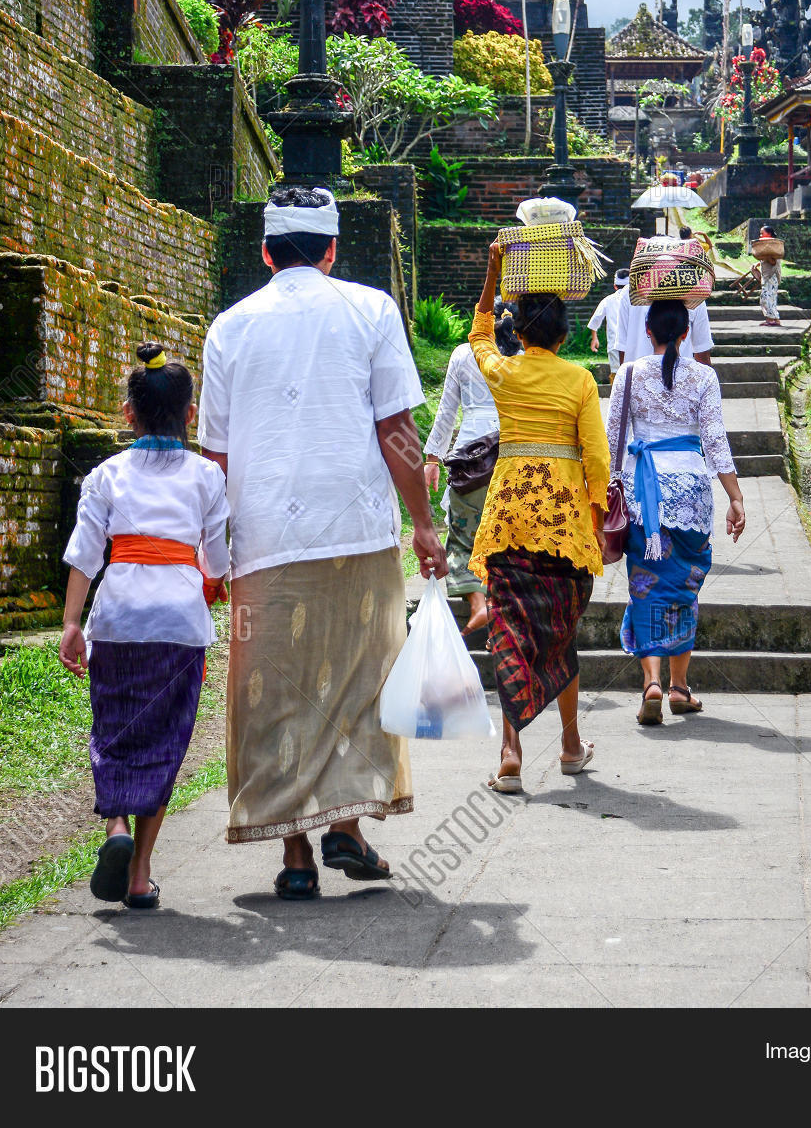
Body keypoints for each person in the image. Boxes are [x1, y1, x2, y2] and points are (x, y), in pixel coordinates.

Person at [198, 184, 447, 899]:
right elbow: (396, 431)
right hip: (357, 529)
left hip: (265, 535)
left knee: (275, 691)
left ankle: (297, 854)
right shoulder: (371, 309)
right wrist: (423, 524)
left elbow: (214, 457)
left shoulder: (230, 327)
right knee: (360, 682)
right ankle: (349, 827)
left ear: (267, 251)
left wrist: (211, 555)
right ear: (332, 250)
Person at [59, 343, 230, 910]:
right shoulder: (207, 475)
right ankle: (140, 875)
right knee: (164, 739)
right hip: (179, 626)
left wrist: (70, 626)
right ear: (189, 414)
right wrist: (204, 580)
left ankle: (116, 833)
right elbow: (218, 562)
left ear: (128, 413)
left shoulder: (106, 475)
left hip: (117, 619)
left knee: (114, 731)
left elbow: (85, 557)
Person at [468, 244, 610, 793]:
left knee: (510, 630)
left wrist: (491, 273)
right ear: (563, 335)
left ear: (520, 333)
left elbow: (478, 335)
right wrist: (598, 520)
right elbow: (595, 457)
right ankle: (571, 746)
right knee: (559, 633)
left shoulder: (503, 372)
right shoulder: (579, 380)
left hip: (507, 520)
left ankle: (511, 751)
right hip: (564, 524)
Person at [607, 300, 745, 722]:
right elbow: (715, 439)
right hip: (691, 494)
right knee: (685, 587)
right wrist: (735, 496)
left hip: (642, 497)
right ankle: (680, 688)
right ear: (686, 333)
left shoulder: (627, 375)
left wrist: (602, 495)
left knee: (646, 585)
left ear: (647, 329)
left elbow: (613, 440)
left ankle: (650, 682)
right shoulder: (704, 376)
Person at [424, 299, 521, 637]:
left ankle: (478, 604)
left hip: (468, 454)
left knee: (463, 537)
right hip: (509, 450)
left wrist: (432, 458)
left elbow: (446, 411)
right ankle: (506, 612)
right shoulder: (521, 358)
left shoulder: (463, 354)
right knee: (508, 535)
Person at [618, 231, 714, 367]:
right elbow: (702, 352)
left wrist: (625, 377)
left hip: (637, 378)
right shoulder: (693, 292)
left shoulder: (629, 292)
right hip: (683, 379)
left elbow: (622, 346)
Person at [588, 268, 629, 382]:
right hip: (633, 343)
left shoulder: (608, 300)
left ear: (615, 286)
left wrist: (594, 338)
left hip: (614, 344)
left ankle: (616, 398)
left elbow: (596, 319)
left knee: (616, 374)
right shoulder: (636, 300)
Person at [756, 225, 782, 327]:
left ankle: (771, 319)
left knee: (767, 298)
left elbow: (772, 261)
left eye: (762, 233)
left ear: (769, 234)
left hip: (771, 275)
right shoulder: (769, 244)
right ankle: (774, 319)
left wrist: (764, 256)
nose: (760, 235)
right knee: (769, 297)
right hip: (768, 275)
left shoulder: (772, 244)